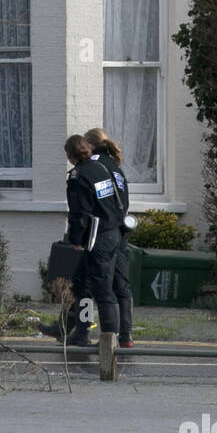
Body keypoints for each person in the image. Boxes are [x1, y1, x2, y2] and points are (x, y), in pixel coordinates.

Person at [43, 134, 125, 346]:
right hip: (113, 232)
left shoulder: (78, 176)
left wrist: (75, 241)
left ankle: (109, 339)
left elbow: (79, 214)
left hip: (95, 238)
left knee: (102, 288)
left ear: (70, 155)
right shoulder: (101, 169)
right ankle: (81, 333)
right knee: (83, 287)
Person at [85, 127, 135, 348]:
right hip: (120, 231)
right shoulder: (116, 167)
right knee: (121, 284)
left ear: (90, 145)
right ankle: (126, 336)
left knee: (102, 285)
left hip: (103, 231)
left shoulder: (95, 165)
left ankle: (108, 338)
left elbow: (96, 201)